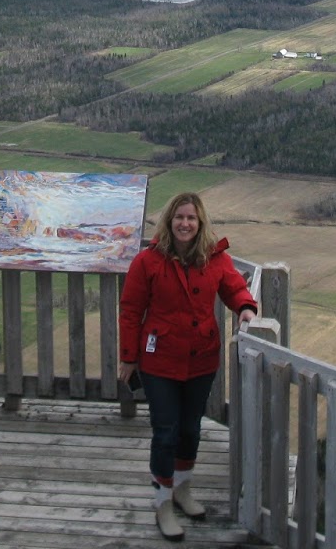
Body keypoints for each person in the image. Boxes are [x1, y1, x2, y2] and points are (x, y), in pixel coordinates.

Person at [118, 191, 258, 541]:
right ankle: (162, 503)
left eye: (191, 218)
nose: (185, 223)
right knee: (165, 432)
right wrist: (128, 357)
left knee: (190, 430)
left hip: (201, 359)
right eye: (179, 217)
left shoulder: (215, 258)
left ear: (200, 222)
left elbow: (233, 288)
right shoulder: (147, 261)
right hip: (159, 361)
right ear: (169, 221)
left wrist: (246, 308)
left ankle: (182, 489)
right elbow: (131, 310)